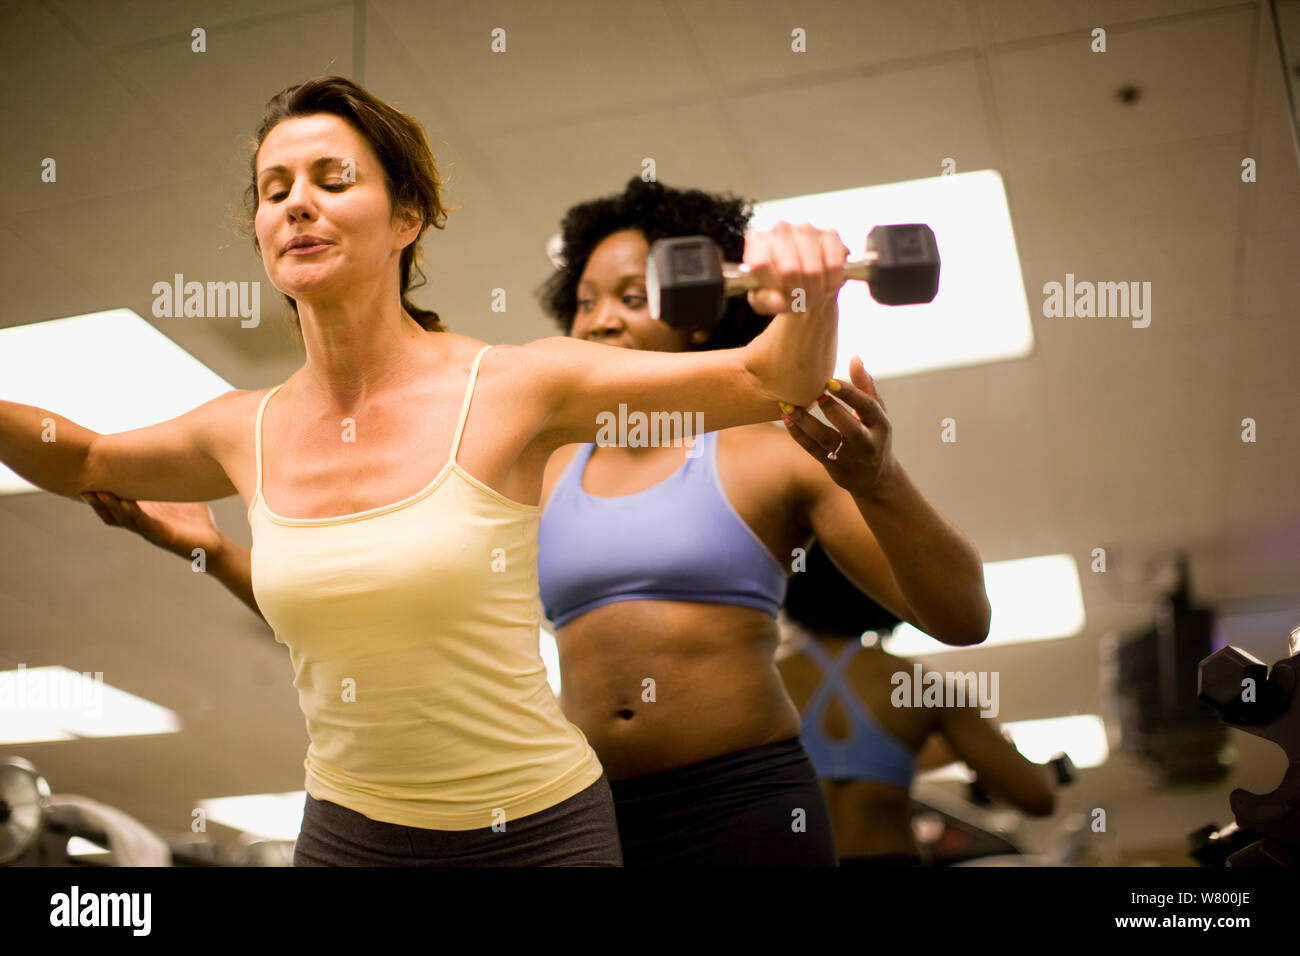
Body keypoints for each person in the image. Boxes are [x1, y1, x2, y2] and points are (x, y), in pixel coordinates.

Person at [0, 77, 847, 867]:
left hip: (541, 831)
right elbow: (81, 457)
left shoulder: (515, 387)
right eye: (274, 188)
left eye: (333, 178)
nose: (298, 201)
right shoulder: (239, 429)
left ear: (407, 217)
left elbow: (771, 379)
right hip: (349, 835)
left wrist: (807, 295)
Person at [76, 177, 990, 866]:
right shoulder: (537, 465)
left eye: (632, 297)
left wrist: (881, 478)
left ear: (700, 306)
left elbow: (959, 615)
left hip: (741, 801)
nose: (599, 322)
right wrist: (217, 554)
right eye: (585, 301)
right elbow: (373, 615)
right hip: (574, 808)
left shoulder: (766, 445)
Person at [776, 540, 1059, 866]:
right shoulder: (919, 685)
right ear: (883, 587)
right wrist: (1046, 772)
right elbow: (1037, 796)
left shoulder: (766, 683)